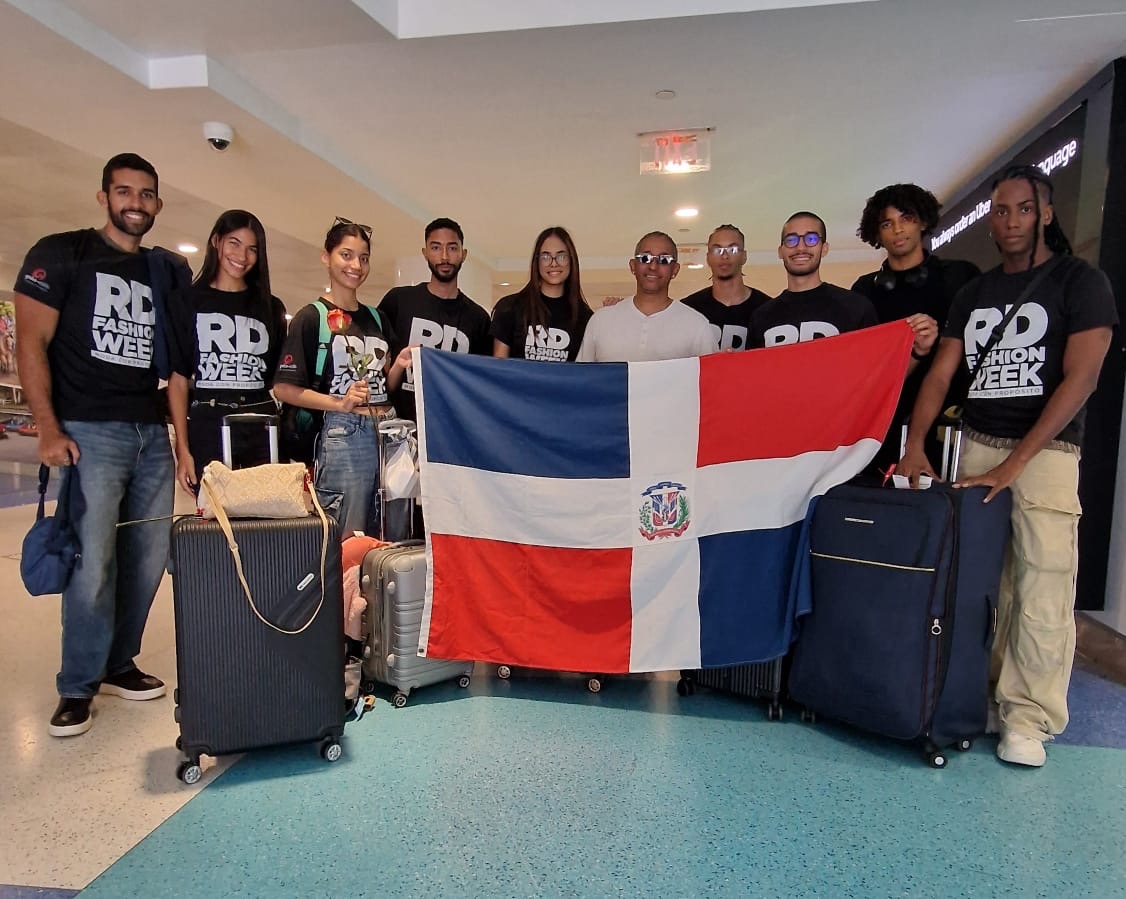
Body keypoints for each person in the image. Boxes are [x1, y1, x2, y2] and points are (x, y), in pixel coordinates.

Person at [899, 165, 1117, 768]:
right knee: (983, 588)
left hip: (1047, 455)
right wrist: (915, 443)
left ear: (1045, 213)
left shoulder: (1080, 280)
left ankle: (1030, 718)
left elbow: (1083, 378)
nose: (1009, 220)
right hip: (978, 445)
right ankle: (989, 699)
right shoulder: (974, 294)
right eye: (999, 210)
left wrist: (1015, 464)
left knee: (1043, 586)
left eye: (1022, 209)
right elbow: (944, 372)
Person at [14, 153, 178, 737]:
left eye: (147, 194)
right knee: (92, 561)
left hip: (150, 433)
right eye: (125, 191)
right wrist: (47, 427)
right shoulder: (63, 252)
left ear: (158, 203)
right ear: (105, 195)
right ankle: (77, 684)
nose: (136, 202)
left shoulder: (163, 272)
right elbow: (29, 343)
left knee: (148, 555)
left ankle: (118, 662)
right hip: (89, 431)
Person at [274, 218, 412, 539]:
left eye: (363, 258)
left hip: (387, 432)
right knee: (348, 538)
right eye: (346, 255)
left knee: (391, 534)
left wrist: (399, 364)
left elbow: (384, 387)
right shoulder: (313, 317)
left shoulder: (377, 317)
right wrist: (339, 402)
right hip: (344, 434)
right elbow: (284, 388)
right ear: (327, 257)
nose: (356, 265)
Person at [851, 185, 981, 476]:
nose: (898, 230)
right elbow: (865, 370)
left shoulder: (959, 276)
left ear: (922, 220)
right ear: (877, 233)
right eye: (887, 223)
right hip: (881, 422)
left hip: (950, 421)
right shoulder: (864, 290)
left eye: (906, 218)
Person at [167, 210, 288, 494]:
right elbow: (179, 379)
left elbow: (274, 378)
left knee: (267, 522)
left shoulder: (270, 307)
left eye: (252, 249)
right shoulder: (187, 301)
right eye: (234, 243)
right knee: (215, 522)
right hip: (208, 425)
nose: (242, 256)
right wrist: (182, 449)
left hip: (261, 425)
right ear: (216, 242)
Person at [377, 218, 491, 422]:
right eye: (436, 247)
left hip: (453, 431)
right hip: (401, 431)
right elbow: (377, 366)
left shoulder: (478, 319)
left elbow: (481, 385)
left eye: (452, 248)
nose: (445, 256)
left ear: (463, 254)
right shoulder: (398, 301)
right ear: (425, 253)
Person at [577, 231, 716, 362]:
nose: (653, 266)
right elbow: (582, 379)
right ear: (633, 266)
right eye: (645, 258)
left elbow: (713, 381)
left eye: (664, 260)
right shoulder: (601, 321)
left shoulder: (697, 326)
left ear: (675, 270)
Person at [749, 211, 882, 348]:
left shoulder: (856, 308)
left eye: (811, 239)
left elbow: (876, 363)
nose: (800, 247)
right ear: (780, 251)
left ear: (824, 248)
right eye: (791, 240)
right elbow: (751, 368)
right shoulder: (761, 317)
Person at [491, 226, 592, 361]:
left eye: (561, 256)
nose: (553, 263)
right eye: (545, 256)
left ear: (571, 260)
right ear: (536, 261)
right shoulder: (509, 307)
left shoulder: (585, 318)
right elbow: (498, 369)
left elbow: (588, 373)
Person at [681, 224, 771, 351]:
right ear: (708, 257)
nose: (724, 256)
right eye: (717, 250)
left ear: (744, 256)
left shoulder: (767, 310)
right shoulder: (689, 309)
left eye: (732, 249)